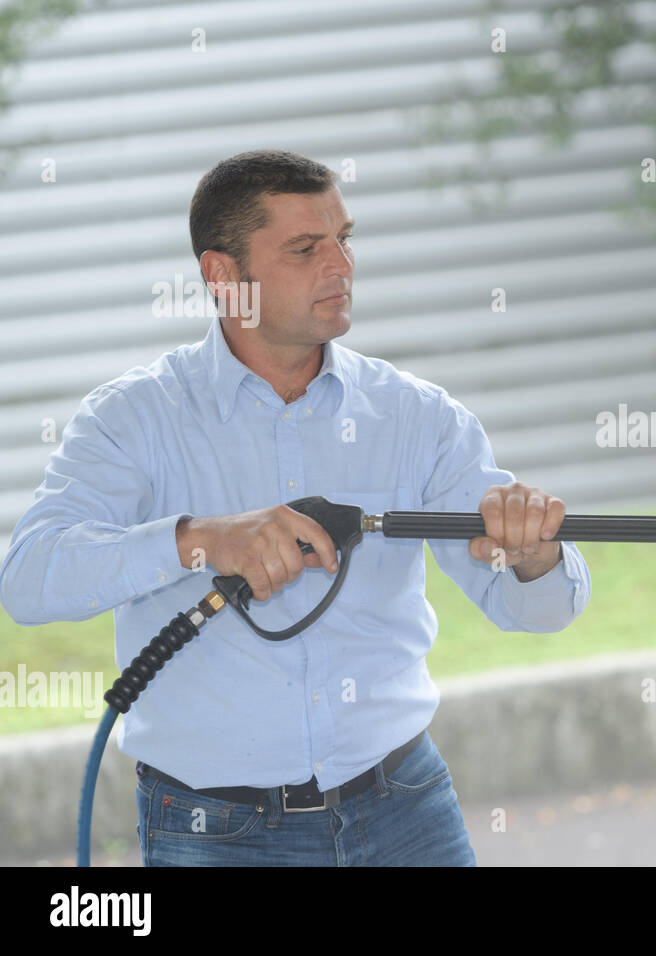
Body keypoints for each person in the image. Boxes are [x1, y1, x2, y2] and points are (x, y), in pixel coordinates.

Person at [0, 148, 592, 866]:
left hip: (406, 811)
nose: (341, 266)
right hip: (215, 832)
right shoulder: (133, 420)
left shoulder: (419, 417)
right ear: (223, 276)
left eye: (345, 239)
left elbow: (536, 611)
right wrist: (200, 540)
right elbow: (29, 579)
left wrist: (536, 556)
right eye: (306, 248)